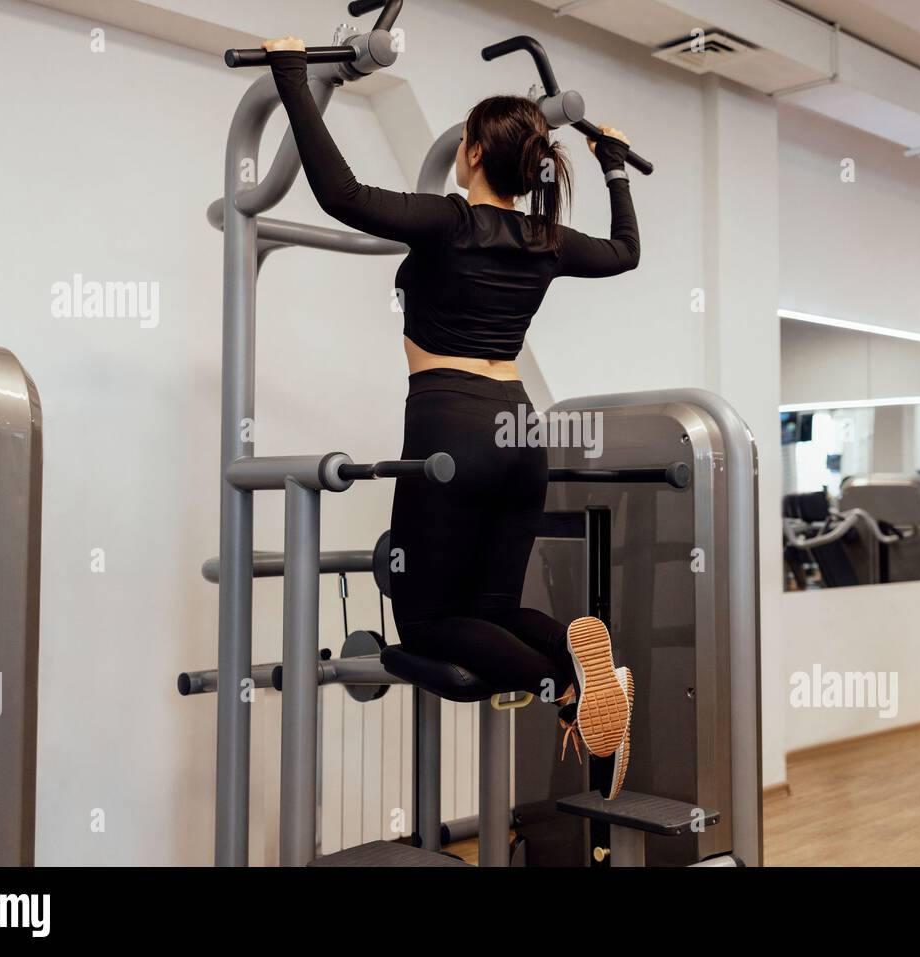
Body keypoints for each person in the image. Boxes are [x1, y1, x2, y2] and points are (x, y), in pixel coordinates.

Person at [264, 36, 641, 797]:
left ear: (470, 153)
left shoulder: (448, 222)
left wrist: (291, 79)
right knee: (496, 606)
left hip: (451, 426)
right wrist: (614, 164)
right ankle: (573, 652)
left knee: (430, 624)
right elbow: (627, 251)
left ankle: (566, 686)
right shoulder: (546, 239)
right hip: (519, 431)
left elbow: (339, 192)